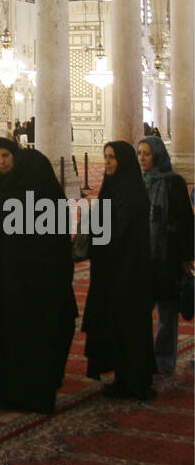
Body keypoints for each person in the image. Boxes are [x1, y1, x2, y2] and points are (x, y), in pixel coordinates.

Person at [0, 138, 76, 415]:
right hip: (48, 291)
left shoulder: (11, 200)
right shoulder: (53, 200)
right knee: (43, 342)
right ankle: (41, 396)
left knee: (16, 343)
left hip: (13, 291)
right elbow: (65, 247)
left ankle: (14, 394)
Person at [83, 140, 156, 400]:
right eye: (106, 157)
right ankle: (124, 379)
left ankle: (136, 382)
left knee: (131, 329)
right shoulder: (111, 189)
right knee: (117, 328)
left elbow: (120, 233)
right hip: (113, 273)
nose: (108, 162)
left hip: (130, 273)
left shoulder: (132, 193)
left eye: (112, 157)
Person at [138, 134, 195, 376]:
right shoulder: (137, 182)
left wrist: (186, 257)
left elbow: (185, 222)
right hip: (143, 258)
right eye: (139, 153)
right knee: (140, 311)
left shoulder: (174, 183)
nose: (142, 158)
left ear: (158, 155)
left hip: (168, 258)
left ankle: (164, 360)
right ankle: (141, 358)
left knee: (167, 313)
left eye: (147, 154)